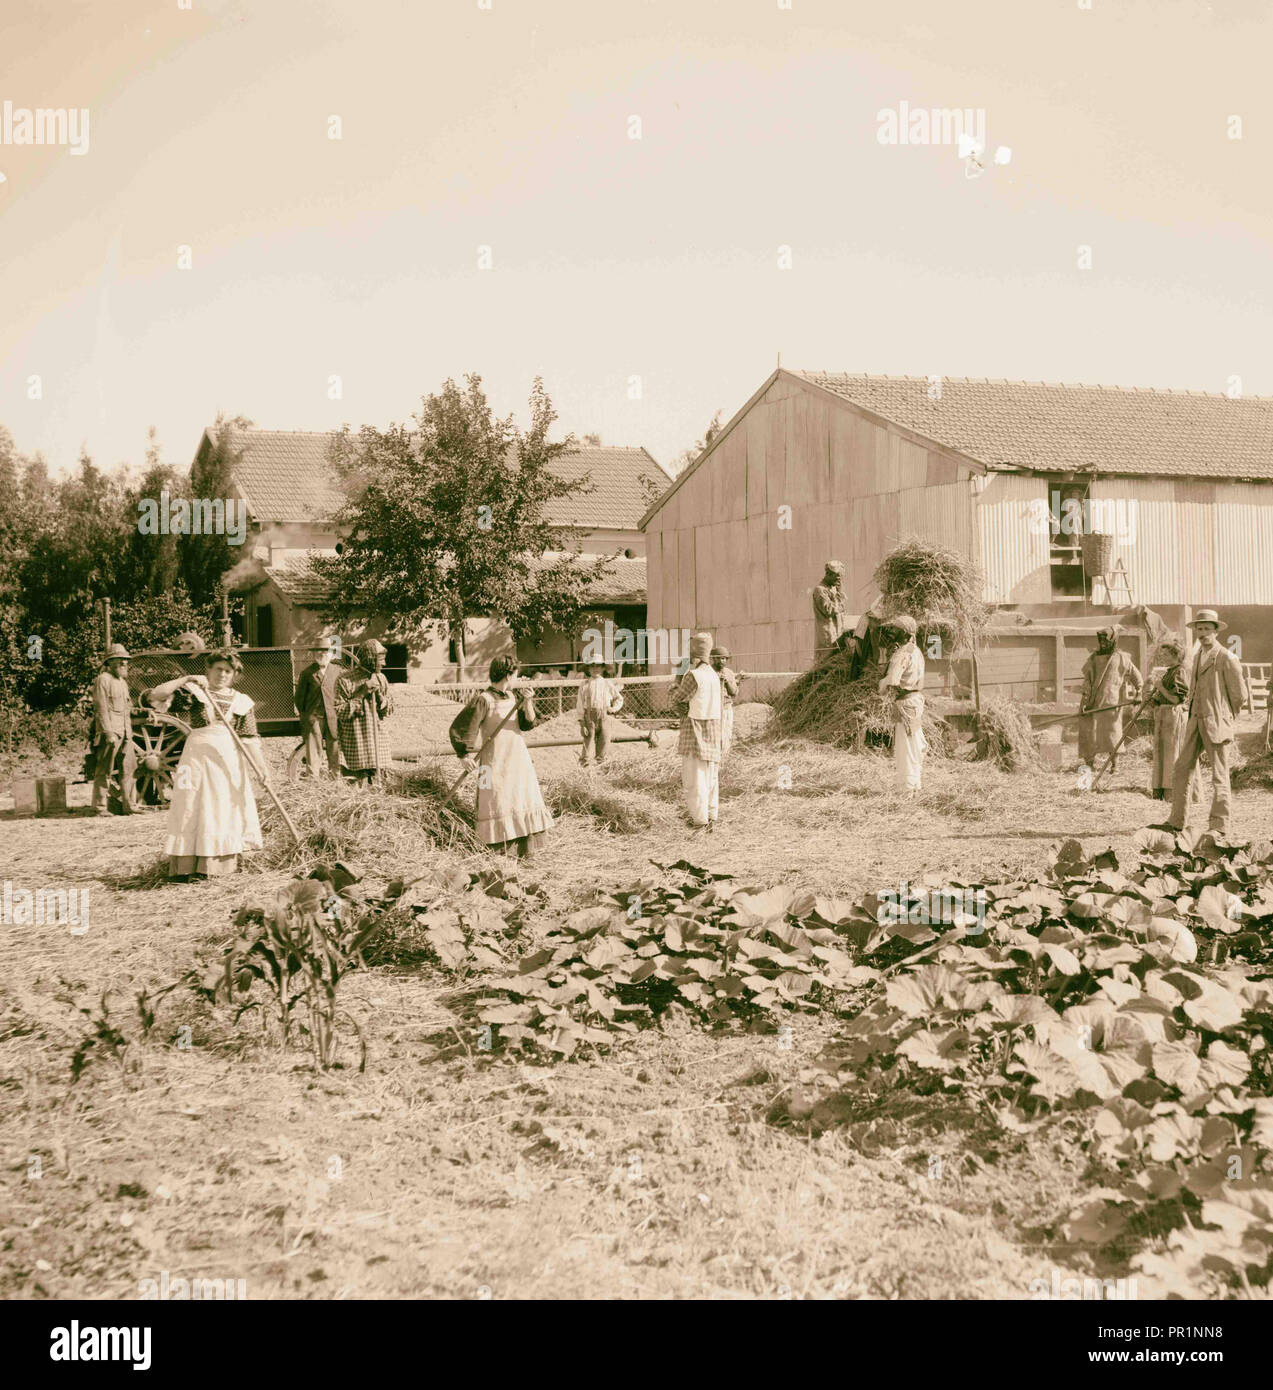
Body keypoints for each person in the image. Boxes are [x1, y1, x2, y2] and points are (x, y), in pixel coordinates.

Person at [144, 648, 266, 880]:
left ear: (234, 675)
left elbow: (249, 739)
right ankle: (188, 866)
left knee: (222, 807)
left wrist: (262, 769)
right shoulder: (193, 693)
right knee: (193, 805)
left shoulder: (242, 702)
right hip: (197, 758)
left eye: (228, 671)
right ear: (208, 670)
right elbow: (156, 696)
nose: (222, 674)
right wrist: (187, 679)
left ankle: (219, 866)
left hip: (227, 760)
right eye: (218, 669)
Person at [451, 654, 553, 858]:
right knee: (492, 797)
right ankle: (500, 850)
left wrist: (528, 701)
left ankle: (525, 850)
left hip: (518, 759)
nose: (517, 678)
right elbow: (462, 726)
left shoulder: (514, 697)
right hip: (492, 760)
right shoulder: (483, 700)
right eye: (515, 674)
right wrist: (463, 754)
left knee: (520, 797)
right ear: (508, 674)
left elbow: (528, 724)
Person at [1153, 610, 1245, 837]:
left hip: (1216, 724)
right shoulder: (1196, 657)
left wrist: (1225, 717)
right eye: (1199, 629)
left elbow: (1239, 695)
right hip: (1194, 722)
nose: (1203, 634)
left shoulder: (1226, 657)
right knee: (1181, 769)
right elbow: (1192, 689)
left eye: (1207, 629)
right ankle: (1176, 822)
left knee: (1219, 776)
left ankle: (1219, 826)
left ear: (1215, 631)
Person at [672, 632, 722, 829]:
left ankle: (699, 820)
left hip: (695, 729)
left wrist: (675, 685)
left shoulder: (693, 676)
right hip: (713, 726)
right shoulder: (714, 676)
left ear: (694, 655)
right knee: (710, 775)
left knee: (695, 778)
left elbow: (677, 699)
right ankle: (711, 816)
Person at [1078, 626, 1143, 774]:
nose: (1103, 644)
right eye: (1100, 641)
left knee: (1112, 734)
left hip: (1111, 704)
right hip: (1092, 703)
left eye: (1106, 641)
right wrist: (1085, 699)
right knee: (1089, 733)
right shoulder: (1093, 659)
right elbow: (1087, 681)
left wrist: (1139, 693)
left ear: (1113, 640)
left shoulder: (1122, 658)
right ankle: (1089, 764)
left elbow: (1137, 677)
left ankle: (1115, 765)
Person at [878, 616, 926, 795]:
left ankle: (906, 790)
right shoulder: (917, 651)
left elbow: (893, 680)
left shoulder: (901, 654)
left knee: (905, 748)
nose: (891, 633)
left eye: (895, 630)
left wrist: (881, 684)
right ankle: (915, 785)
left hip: (904, 703)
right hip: (916, 700)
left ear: (904, 633)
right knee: (915, 745)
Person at [336, 639, 393, 784]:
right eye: (381, 660)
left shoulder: (381, 678)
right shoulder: (345, 679)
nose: (384, 664)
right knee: (356, 792)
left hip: (378, 746)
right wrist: (361, 692)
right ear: (370, 658)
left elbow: (390, 709)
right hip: (356, 748)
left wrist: (380, 696)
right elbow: (340, 712)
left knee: (380, 790)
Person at [90, 644, 137, 816]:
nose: (123, 664)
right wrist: (108, 732)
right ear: (109, 663)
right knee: (105, 769)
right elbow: (100, 707)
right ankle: (100, 807)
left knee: (128, 768)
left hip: (126, 731)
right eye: (119, 661)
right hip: (112, 732)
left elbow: (128, 707)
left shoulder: (122, 682)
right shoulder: (103, 680)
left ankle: (128, 805)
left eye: (125, 661)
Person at [1147, 639, 1191, 801]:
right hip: (1165, 717)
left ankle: (1173, 793)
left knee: (1172, 753)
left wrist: (1160, 687)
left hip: (1174, 717)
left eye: (1166, 655)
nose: (1162, 657)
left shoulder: (1180, 672)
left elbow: (1175, 699)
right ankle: (1162, 790)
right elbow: (1164, 698)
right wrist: (1152, 699)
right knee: (1164, 753)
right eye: (1162, 654)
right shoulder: (1169, 671)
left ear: (1176, 655)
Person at [294, 637, 341, 778]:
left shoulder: (338, 671)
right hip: (314, 718)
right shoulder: (307, 673)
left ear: (331, 653)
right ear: (314, 654)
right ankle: (313, 781)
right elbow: (299, 699)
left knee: (334, 749)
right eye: (319, 651)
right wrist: (307, 715)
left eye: (325, 651)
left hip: (333, 717)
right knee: (314, 750)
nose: (322, 654)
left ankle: (335, 779)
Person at [577, 659, 623, 766]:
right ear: (588, 668)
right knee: (587, 746)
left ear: (603, 668)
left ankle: (601, 768)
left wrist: (613, 708)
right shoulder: (584, 684)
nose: (595, 669)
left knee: (604, 743)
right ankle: (585, 769)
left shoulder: (607, 683)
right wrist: (582, 723)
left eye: (598, 666)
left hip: (604, 716)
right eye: (592, 666)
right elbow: (579, 704)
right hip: (589, 717)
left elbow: (619, 698)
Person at [812, 561, 848, 659]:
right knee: (825, 663)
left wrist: (839, 592)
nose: (839, 580)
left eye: (840, 577)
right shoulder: (820, 590)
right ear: (828, 574)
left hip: (836, 634)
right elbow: (829, 610)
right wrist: (838, 598)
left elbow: (843, 608)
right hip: (827, 636)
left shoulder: (833, 589)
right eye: (837, 576)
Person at [710, 645, 741, 759]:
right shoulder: (708, 671)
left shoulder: (729, 673)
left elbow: (734, 693)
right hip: (712, 708)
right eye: (718, 658)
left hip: (726, 707)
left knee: (726, 732)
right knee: (714, 734)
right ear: (713, 658)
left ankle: (724, 757)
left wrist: (726, 682)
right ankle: (714, 756)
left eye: (724, 658)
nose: (721, 661)